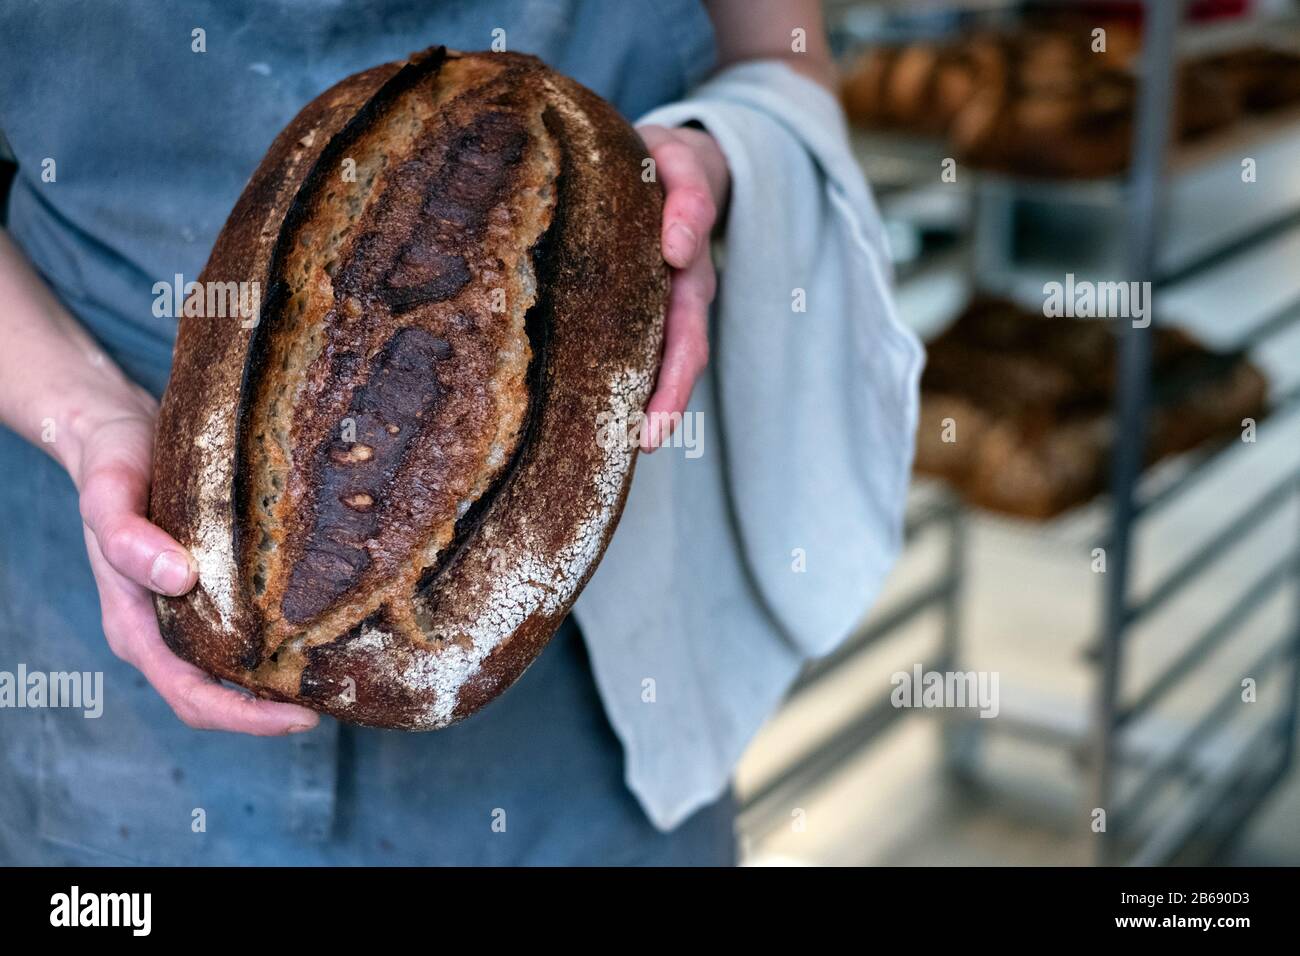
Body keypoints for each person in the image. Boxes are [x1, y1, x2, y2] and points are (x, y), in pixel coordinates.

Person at [0, 0, 916, 865]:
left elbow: (781, 59)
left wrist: (701, 166)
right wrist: (81, 415)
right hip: (109, 587)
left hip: (601, 665)